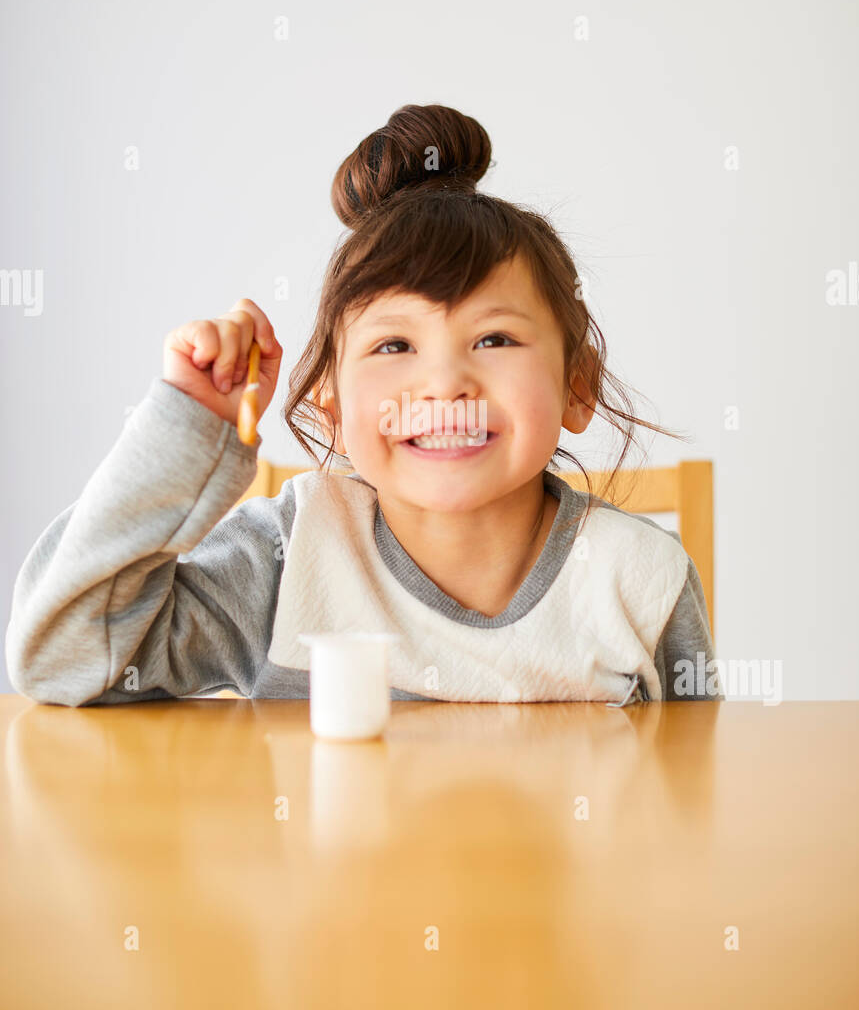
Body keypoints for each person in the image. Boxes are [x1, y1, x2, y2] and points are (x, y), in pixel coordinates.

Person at [5, 103, 719, 707]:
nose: (444, 385)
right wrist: (186, 433)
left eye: (495, 338)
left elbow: (692, 795)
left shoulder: (640, 581)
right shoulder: (288, 559)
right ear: (330, 407)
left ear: (577, 386)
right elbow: (61, 660)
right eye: (393, 346)